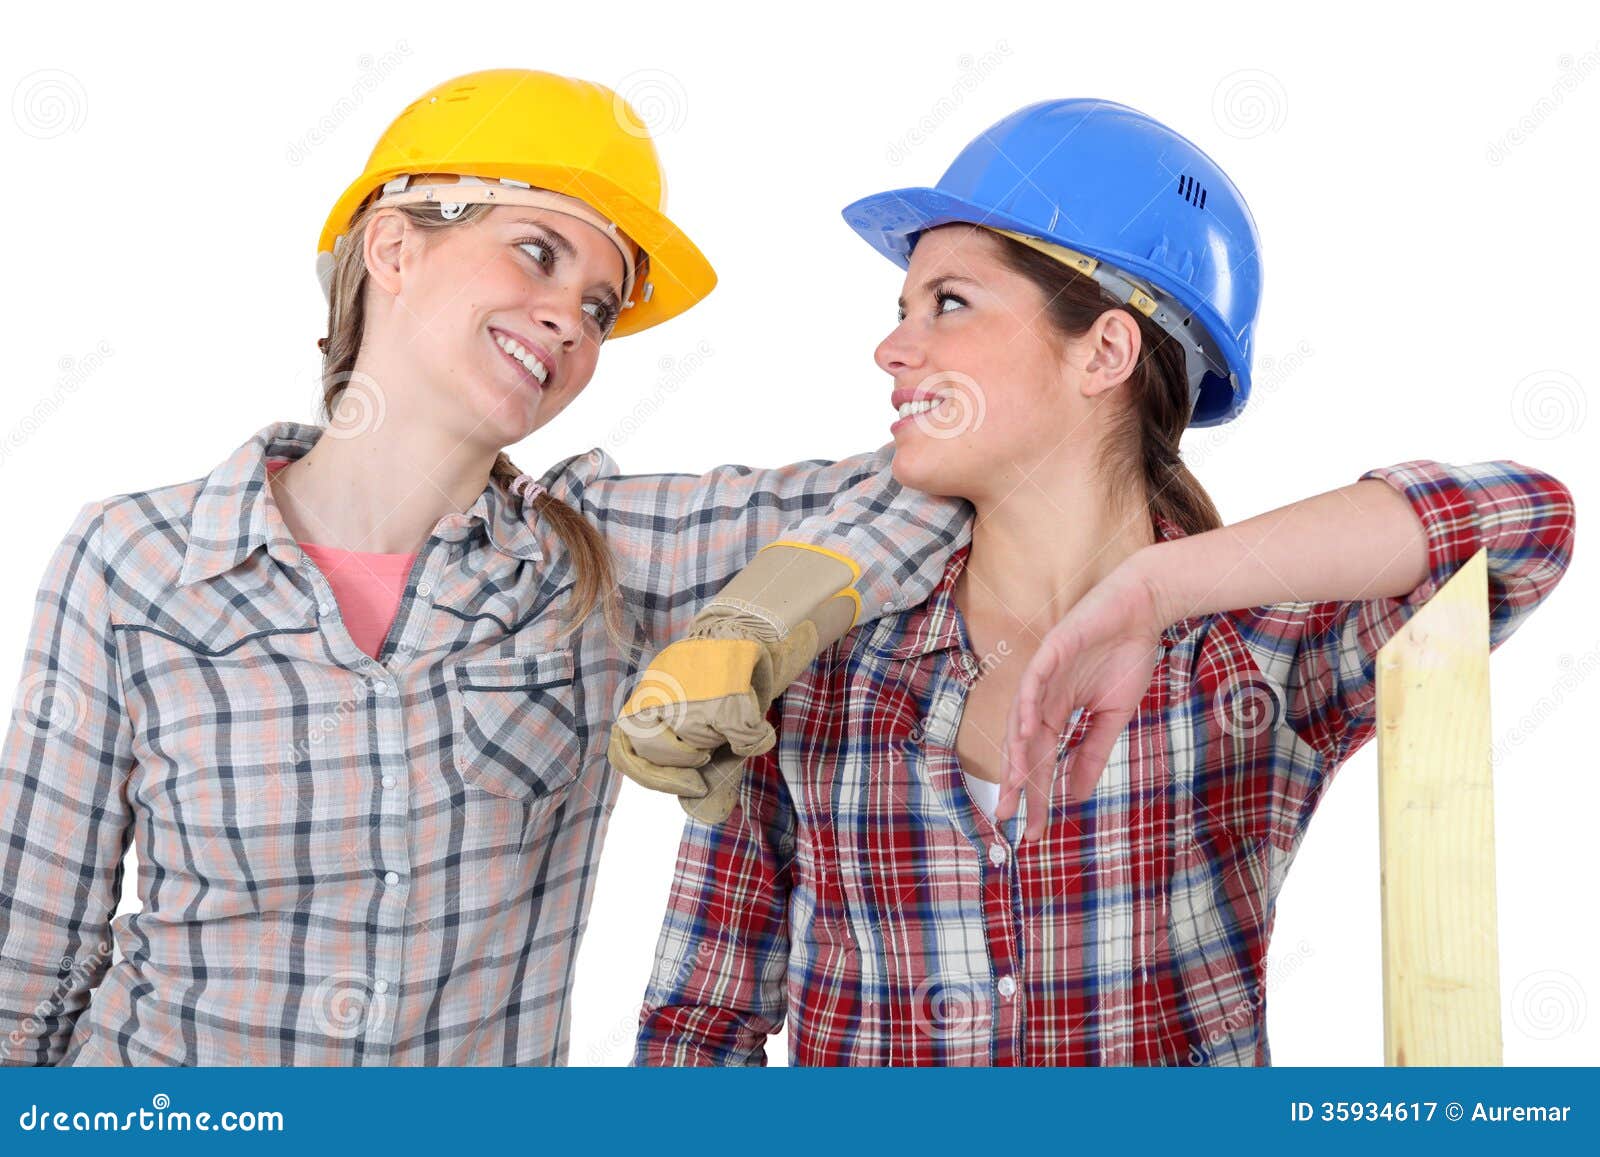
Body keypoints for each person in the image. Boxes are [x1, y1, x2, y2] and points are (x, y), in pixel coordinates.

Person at [0, 68, 980, 1066]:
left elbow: (943, 477)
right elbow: (32, 955)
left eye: (599, 306)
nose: (569, 318)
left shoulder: (593, 559)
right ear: (392, 245)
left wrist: (761, 619)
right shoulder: (135, 562)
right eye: (536, 253)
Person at [629, 98, 1576, 1065]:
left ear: (1106, 351)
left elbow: (1524, 523)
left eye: (949, 302)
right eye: (902, 311)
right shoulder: (820, 658)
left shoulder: (1253, 653)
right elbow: (701, 1024)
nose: (893, 348)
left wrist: (1158, 590)